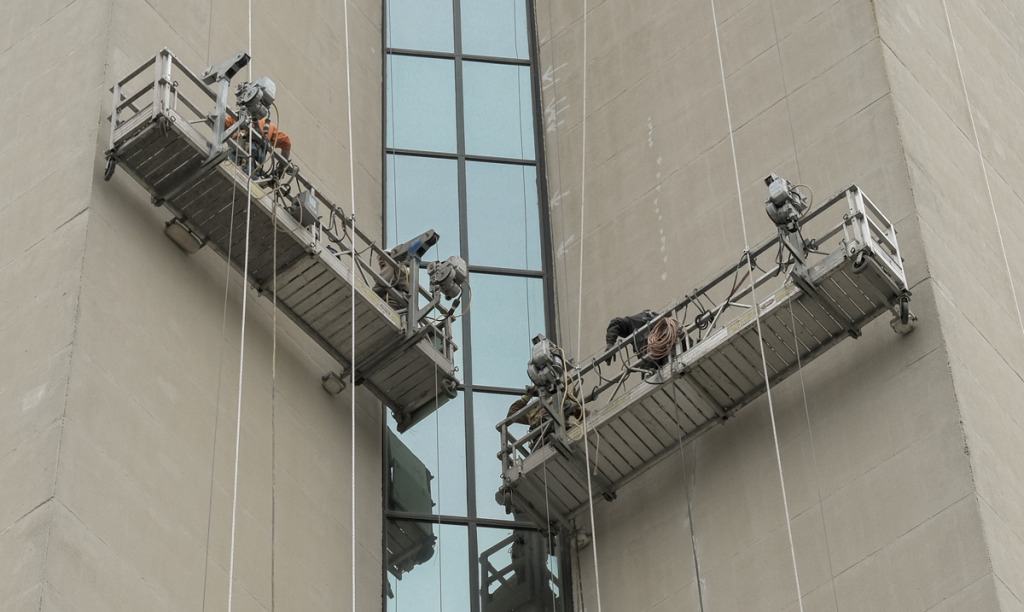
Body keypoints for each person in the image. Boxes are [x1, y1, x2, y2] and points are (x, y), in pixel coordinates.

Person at [225, 115, 291, 175]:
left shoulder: (239, 115)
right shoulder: (268, 126)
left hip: (240, 146)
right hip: (257, 157)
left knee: (229, 170)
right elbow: (287, 143)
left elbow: (222, 124)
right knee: (249, 178)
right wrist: (281, 168)